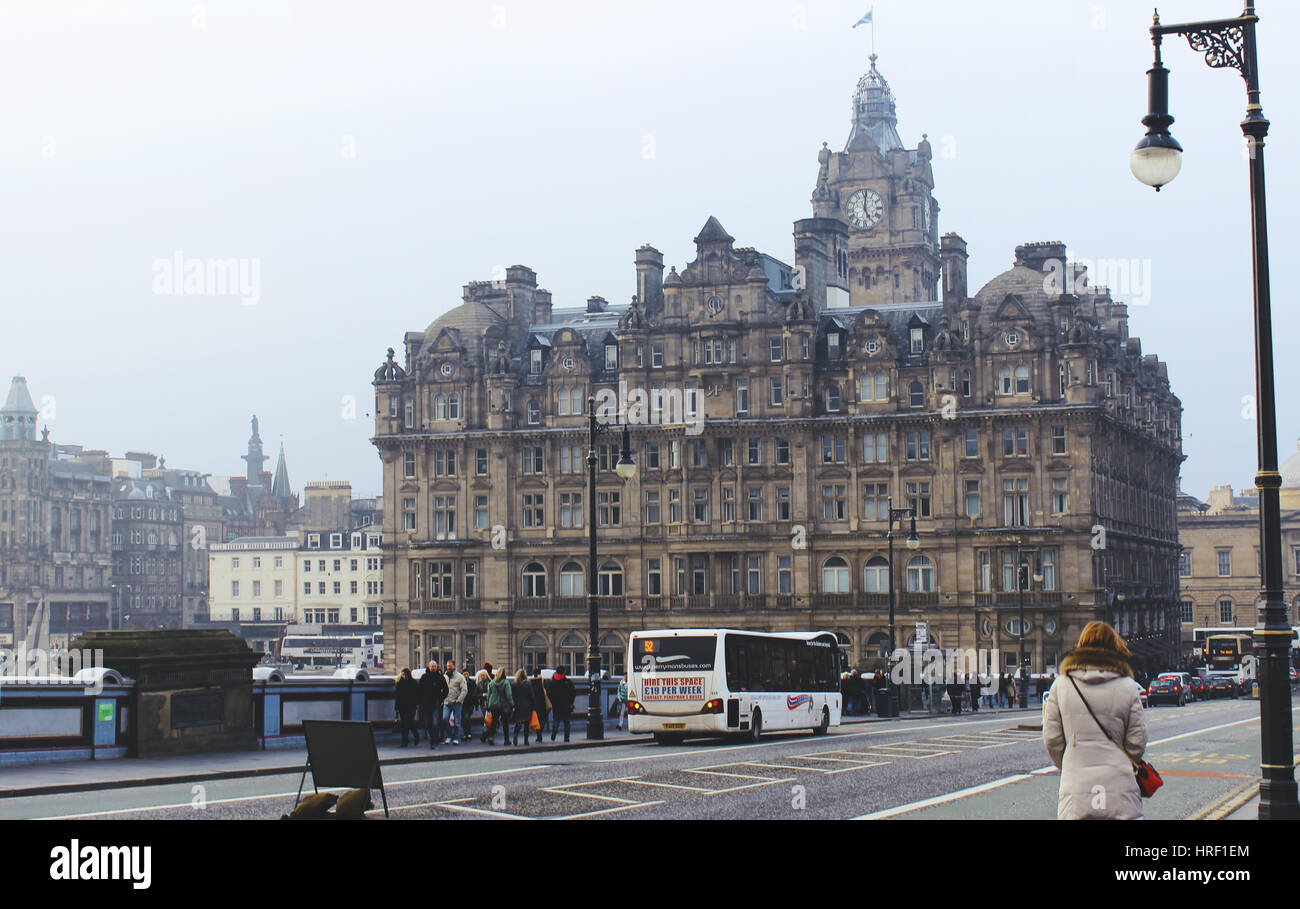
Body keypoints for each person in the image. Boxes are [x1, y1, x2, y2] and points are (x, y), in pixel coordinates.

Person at [1043, 621, 1148, 820]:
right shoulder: (1128, 686)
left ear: (1082, 644)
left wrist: (1070, 761)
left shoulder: (1061, 685)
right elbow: (1137, 741)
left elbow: (1052, 740)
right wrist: (1124, 759)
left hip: (1076, 785)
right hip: (1120, 786)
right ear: (1114, 647)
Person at [418, 660, 448, 750]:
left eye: (434, 666)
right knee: (428, 724)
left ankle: (434, 741)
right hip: (426, 704)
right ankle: (433, 738)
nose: (433, 668)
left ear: (436, 667)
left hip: (436, 703)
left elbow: (446, 689)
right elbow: (420, 691)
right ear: (429, 667)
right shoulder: (424, 677)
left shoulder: (440, 677)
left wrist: (441, 698)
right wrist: (421, 702)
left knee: (435, 723)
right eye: (432, 666)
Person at [486, 667, 514, 746]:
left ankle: (490, 737)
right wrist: (512, 704)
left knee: (494, 722)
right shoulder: (505, 683)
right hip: (502, 704)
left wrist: (488, 703)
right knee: (505, 723)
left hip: (493, 703)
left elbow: (489, 695)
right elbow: (509, 695)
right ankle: (506, 740)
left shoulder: (492, 682)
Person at [546, 668, 575, 742]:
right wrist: (570, 702)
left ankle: (553, 734)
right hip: (566, 705)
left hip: (557, 705)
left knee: (556, 720)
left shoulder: (552, 682)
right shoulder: (568, 682)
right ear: (564, 672)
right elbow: (573, 693)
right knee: (567, 722)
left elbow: (549, 694)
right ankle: (566, 738)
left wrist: (553, 702)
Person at [395, 667, 419, 747]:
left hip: (410, 706)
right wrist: (397, 707)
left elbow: (416, 695)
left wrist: (415, 704)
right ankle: (406, 739)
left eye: (405, 675)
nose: (404, 676)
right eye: (403, 675)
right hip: (402, 706)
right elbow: (397, 696)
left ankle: (408, 738)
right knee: (404, 723)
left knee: (408, 722)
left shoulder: (413, 683)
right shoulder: (399, 683)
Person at [511, 669, 536, 746]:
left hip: (518, 705)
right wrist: (533, 705)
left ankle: (515, 735)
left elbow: (512, 696)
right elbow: (532, 696)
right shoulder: (528, 684)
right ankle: (526, 740)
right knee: (526, 724)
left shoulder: (514, 685)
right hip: (526, 705)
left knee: (518, 722)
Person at [444, 659, 466, 744]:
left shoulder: (460, 677)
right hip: (447, 702)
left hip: (456, 703)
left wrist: (459, 700)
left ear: (454, 666)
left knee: (457, 722)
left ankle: (456, 738)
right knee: (445, 719)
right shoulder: (444, 676)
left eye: (450, 666)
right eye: (447, 666)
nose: (448, 668)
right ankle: (449, 735)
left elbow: (464, 690)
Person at [531, 671, 550, 738]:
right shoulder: (543, 682)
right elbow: (548, 692)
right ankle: (539, 731)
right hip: (542, 703)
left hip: (534, 704)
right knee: (543, 719)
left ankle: (538, 732)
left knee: (537, 719)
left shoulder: (530, 682)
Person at [462, 668, 479, 741]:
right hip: (463, 704)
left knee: (467, 717)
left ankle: (467, 733)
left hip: (470, 703)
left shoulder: (472, 683)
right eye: (464, 674)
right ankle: (466, 733)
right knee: (465, 718)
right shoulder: (461, 682)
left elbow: (475, 694)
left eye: (467, 674)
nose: (466, 675)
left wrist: (476, 704)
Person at [476, 669, 492, 743]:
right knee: (486, 720)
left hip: (490, 704)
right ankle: (487, 734)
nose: (482, 677)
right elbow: (475, 694)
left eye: (484, 675)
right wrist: (482, 695)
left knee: (488, 720)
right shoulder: (479, 684)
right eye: (481, 675)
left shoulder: (491, 683)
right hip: (483, 704)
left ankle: (486, 735)